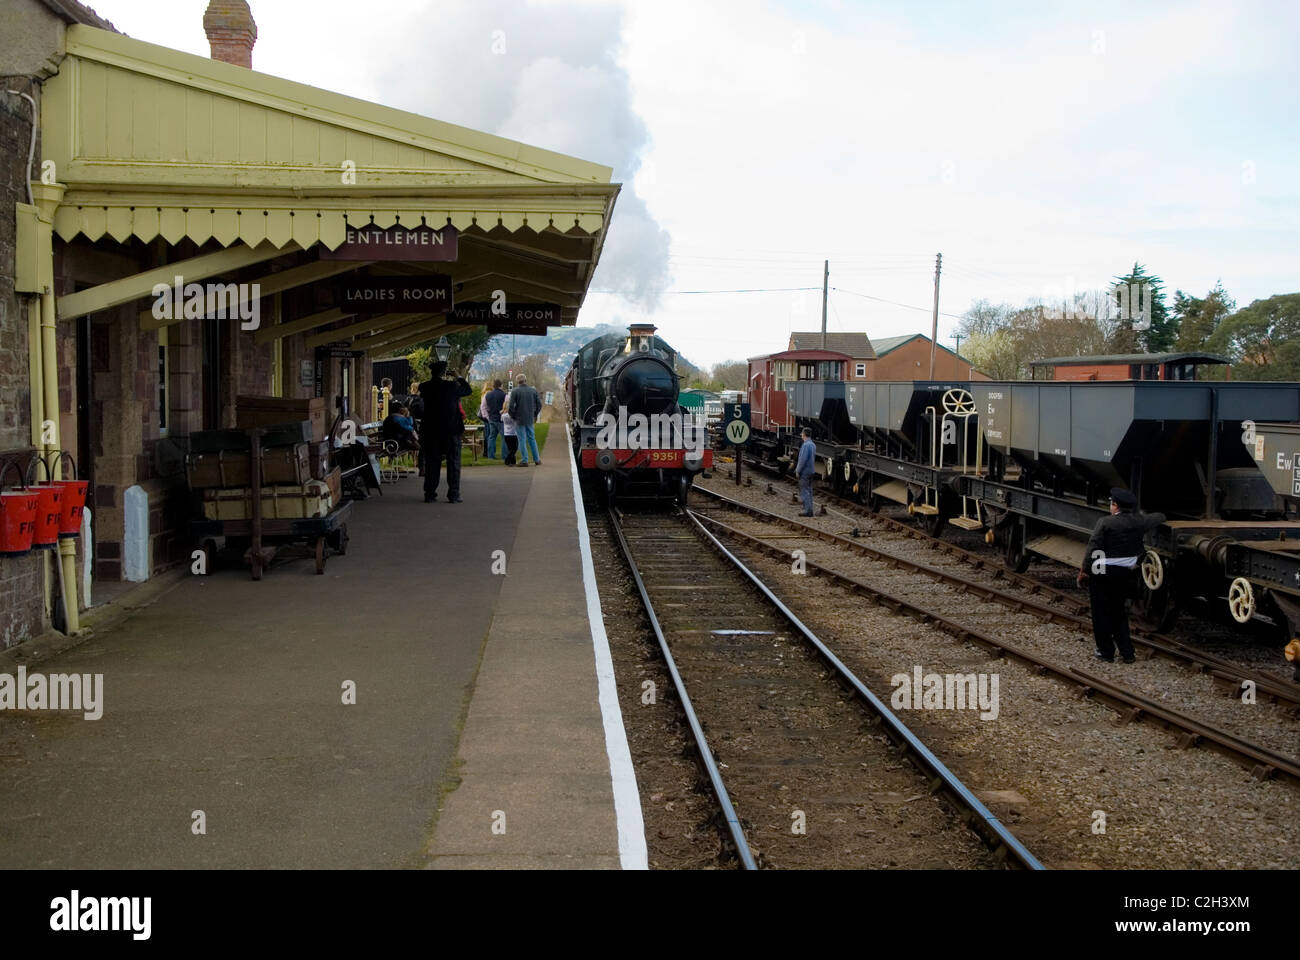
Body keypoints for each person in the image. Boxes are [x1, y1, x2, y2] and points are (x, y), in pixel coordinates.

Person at [1076, 487, 1166, 663]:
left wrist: (1084, 571)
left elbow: (1093, 548)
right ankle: (1127, 653)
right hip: (1125, 574)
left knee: (1101, 613)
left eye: (1111, 503)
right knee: (1118, 612)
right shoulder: (1140, 522)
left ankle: (1106, 652)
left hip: (1102, 572)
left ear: (1115, 506)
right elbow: (1158, 517)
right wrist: (1163, 515)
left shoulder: (1105, 523)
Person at [418, 361, 472, 503]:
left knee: (432, 463)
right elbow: (468, 390)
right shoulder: (452, 386)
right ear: (444, 373)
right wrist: (458, 376)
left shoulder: (424, 387)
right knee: (453, 463)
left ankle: (430, 493)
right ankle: (453, 494)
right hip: (451, 430)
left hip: (431, 430)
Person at [508, 374, 543, 466]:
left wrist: (513, 416)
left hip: (519, 419)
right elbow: (539, 405)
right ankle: (537, 459)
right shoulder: (533, 391)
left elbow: (510, 407)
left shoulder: (515, 391)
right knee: (532, 438)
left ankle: (525, 460)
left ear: (517, 381)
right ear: (525, 380)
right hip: (529, 418)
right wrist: (534, 414)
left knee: (522, 440)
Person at [482, 379, 506, 459]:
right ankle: (505, 456)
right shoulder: (504, 395)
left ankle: (491, 456)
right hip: (501, 419)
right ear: (501, 385)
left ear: (493, 385)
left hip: (491, 418)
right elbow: (506, 407)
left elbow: (483, 407)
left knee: (491, 437)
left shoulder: (488, 395)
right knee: (504, 437)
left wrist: (487, 417)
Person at [795, 427, 816, 516]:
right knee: (809, 490)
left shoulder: (805, 445)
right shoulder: (812, 444)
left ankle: (807, 511)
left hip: (805, 471)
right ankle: (809, 509)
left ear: (804, 434)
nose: (801, 435)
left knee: (804, 490)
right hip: (811, 470)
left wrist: (797, 470)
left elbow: (802, 460)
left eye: (802, 433)